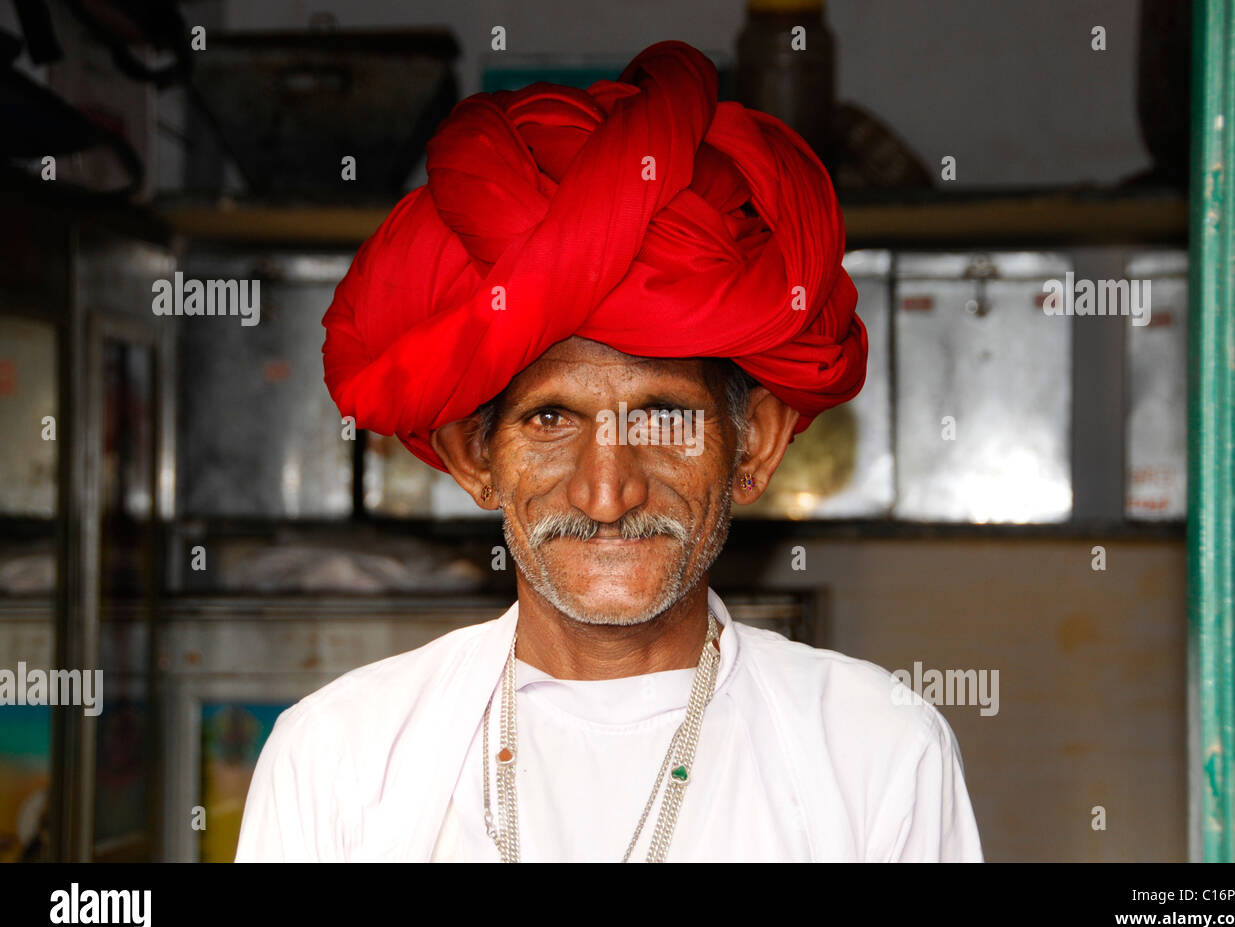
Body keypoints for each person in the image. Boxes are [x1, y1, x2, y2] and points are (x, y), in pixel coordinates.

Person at [235, 40, 981, 862]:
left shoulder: (877, 756)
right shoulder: (337, 763)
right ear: (474, 457)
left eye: (664, 417)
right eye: (551, 419)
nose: (608, 492)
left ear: (755, 442)